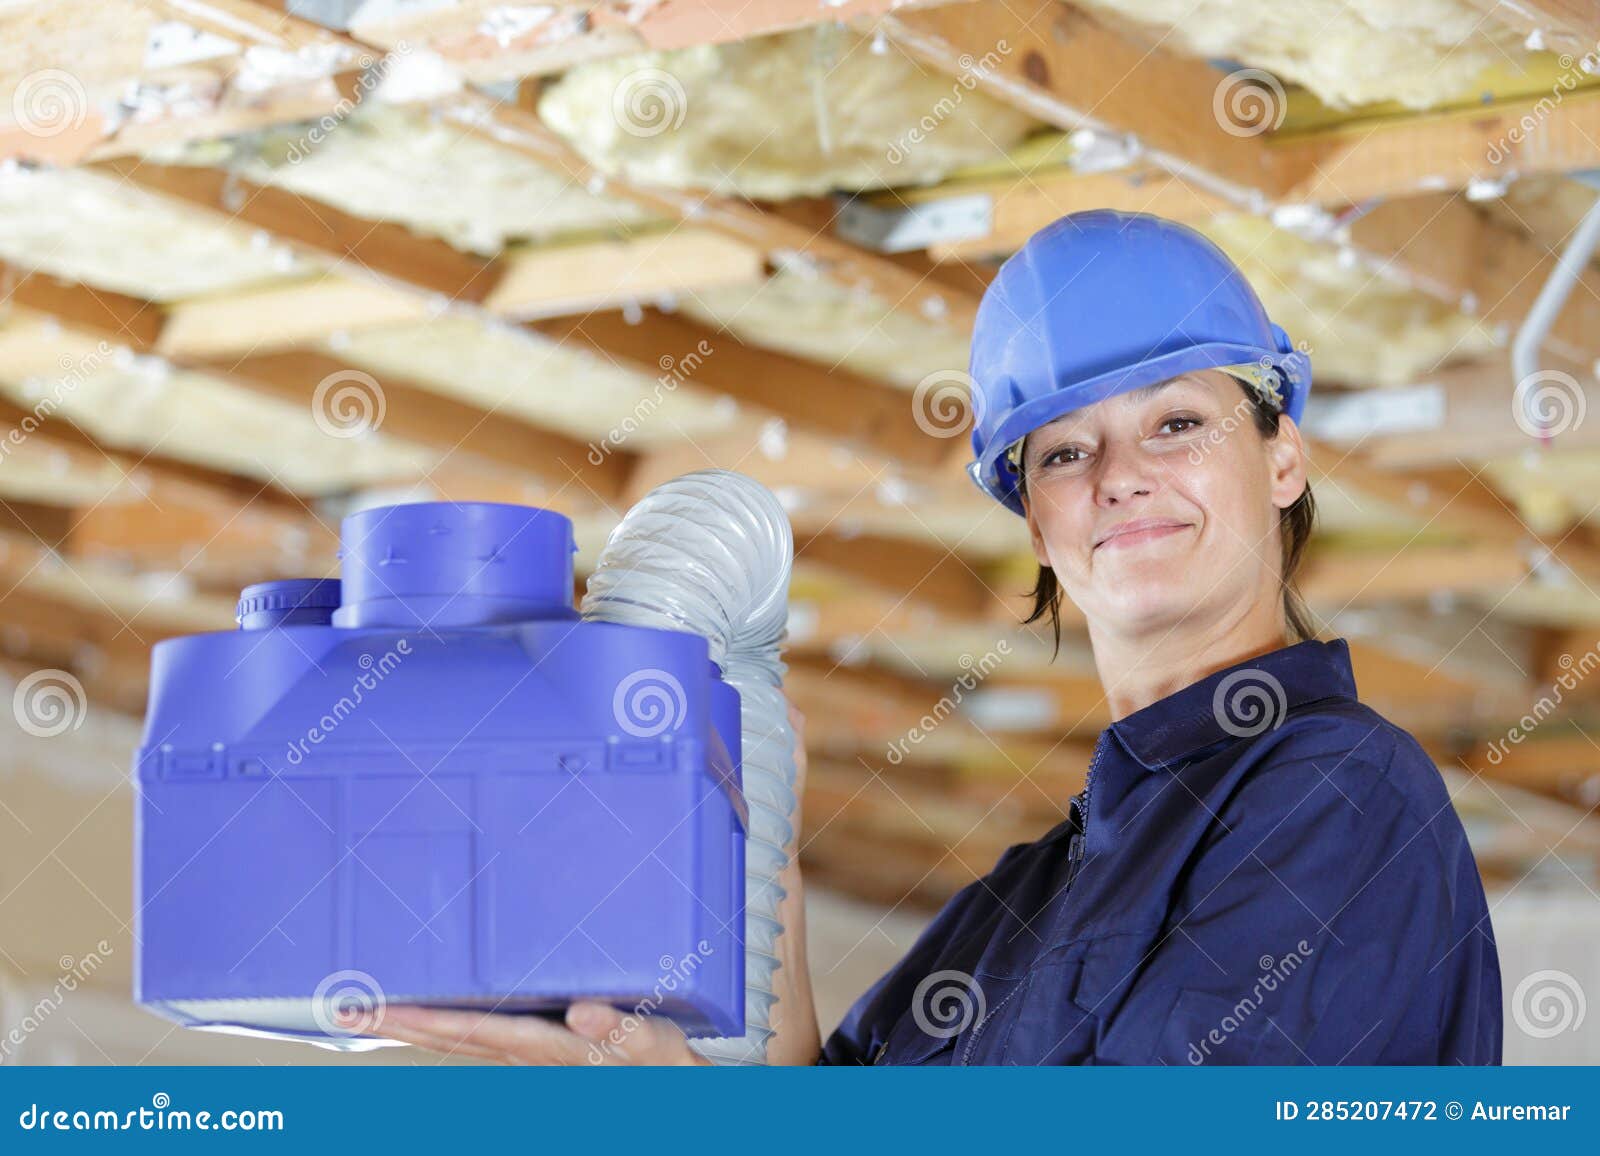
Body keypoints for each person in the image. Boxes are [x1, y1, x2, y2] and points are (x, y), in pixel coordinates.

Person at [364, 210, 1502, 1065]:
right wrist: (759, 853)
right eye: (1065, 450)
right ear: (1036, 519)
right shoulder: (1021, 903)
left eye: (1177, 422)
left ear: (1283, 455)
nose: (1119, 477)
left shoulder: (1341, 797)